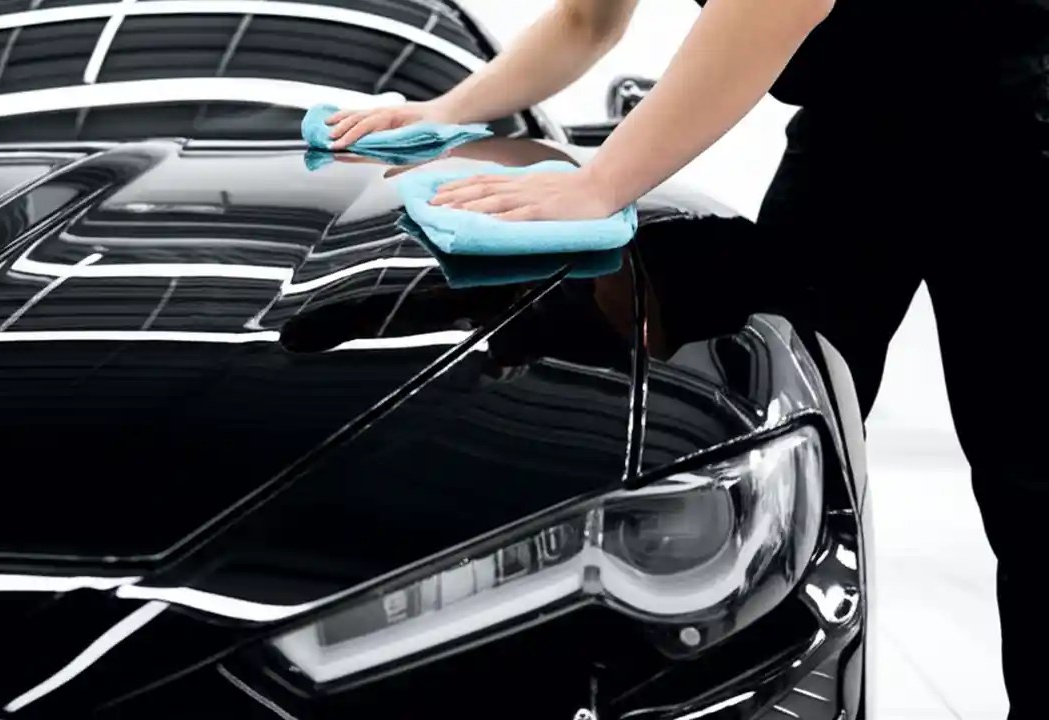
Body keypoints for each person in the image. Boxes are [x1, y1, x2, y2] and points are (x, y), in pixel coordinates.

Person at [324, 1, 1046, 718]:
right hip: (854, 125)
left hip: (1019, 114)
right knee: (781, 435)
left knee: (1032, 477)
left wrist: (600, 183)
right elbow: (586, 21)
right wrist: (442, 111)